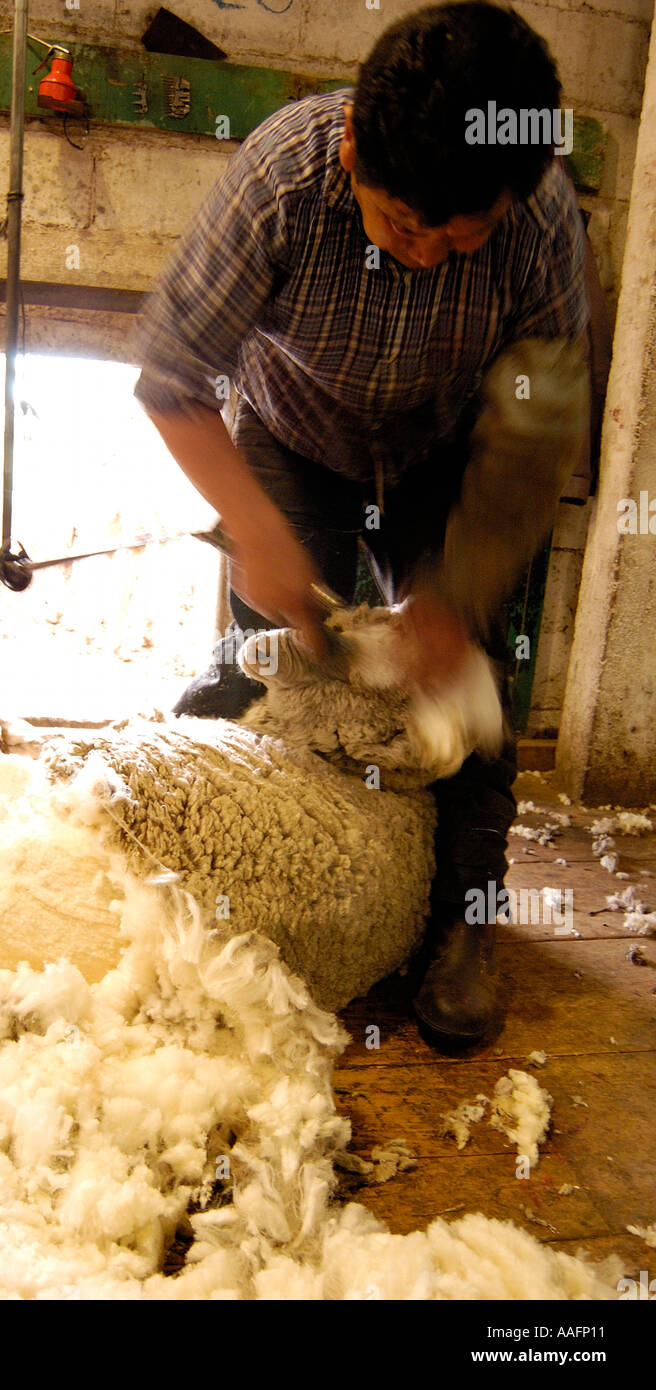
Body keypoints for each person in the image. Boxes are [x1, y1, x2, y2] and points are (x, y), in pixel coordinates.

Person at [131, 1, 593, 1047]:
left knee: (465, 683)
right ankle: (215, 878)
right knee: (283, 647)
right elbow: (171, 377)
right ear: (352, 152)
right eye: (400, 227)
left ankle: (461, 920)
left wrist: (456, 590)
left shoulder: (539, 219)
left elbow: (537, 430)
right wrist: (253, 525)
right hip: (298, 435)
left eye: (459, 237)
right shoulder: (285, 178)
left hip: (449, 452)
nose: (428, 257)